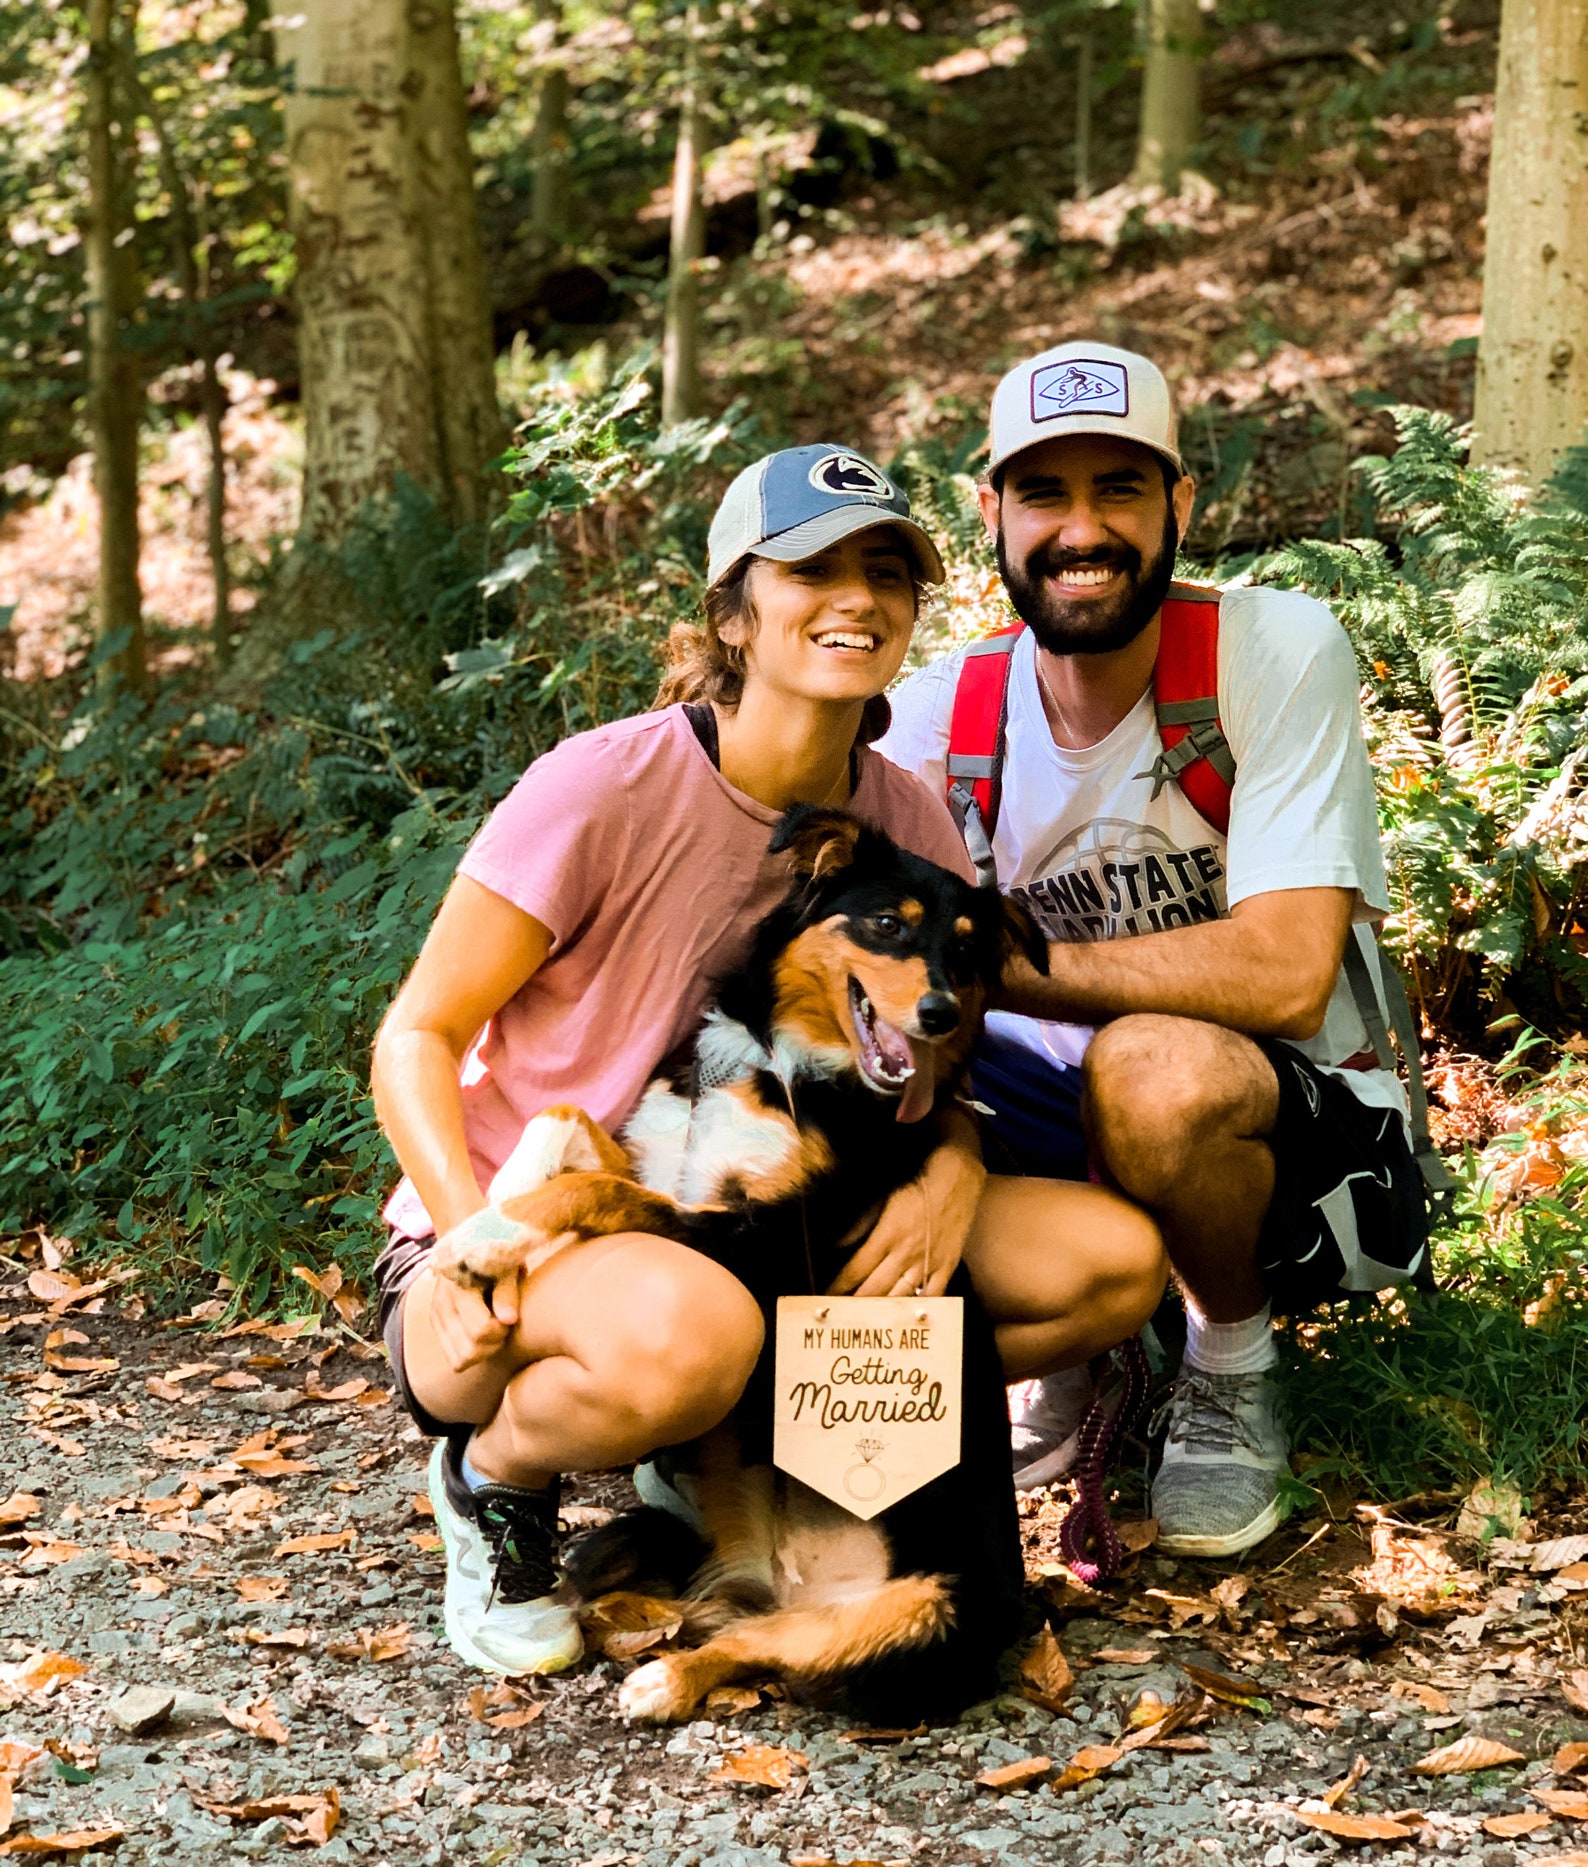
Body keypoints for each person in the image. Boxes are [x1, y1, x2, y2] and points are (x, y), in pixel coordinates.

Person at [369, 441, 1167, 1677]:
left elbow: (934, 1056)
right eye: (811, 569)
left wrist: (952, 1165)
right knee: (696, 1334)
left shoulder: (899, 815)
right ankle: (496, 1479)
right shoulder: (602, 785)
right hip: (533, 1221)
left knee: (1106, 1267)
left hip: (746, 1214)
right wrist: (471, 1236)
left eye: (886, 573)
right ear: (736, 612)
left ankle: (730, 1454)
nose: (855, 598)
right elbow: (415, 1032)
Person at [878, 343, 1430, 1560]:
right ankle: (1067, 1338)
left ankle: (1228, 1358)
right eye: (1045, 494)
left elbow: (1285, 972)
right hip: (1044, 1104)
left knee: (1151, 1069)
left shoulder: (1269, 652)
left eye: (1120, 488)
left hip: (1283, 1112)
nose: (1084, 529)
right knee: (872, 1075)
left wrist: (1004, 967)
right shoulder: (938, 714)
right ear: (992, 517)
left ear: (1181, 503)